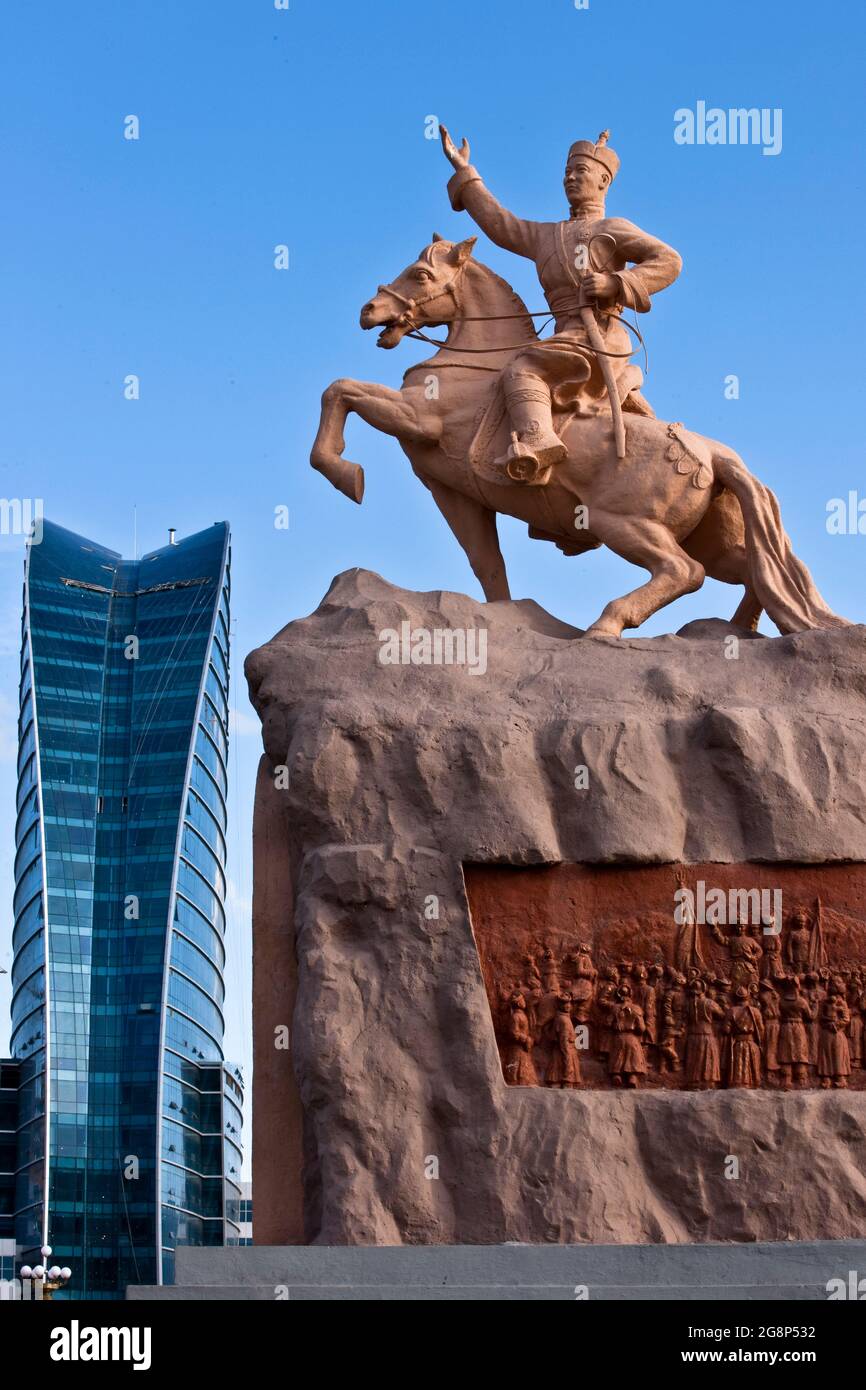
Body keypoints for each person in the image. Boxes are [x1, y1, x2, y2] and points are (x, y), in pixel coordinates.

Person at [439, 125, 681, 479]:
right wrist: (465, 172)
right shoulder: (546, 236)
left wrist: (616, 283)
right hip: (564, 338)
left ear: (603, 181)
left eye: (580, 171)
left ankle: (537, 441)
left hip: (600, 338)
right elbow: (500, 225)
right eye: (567, 172)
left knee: (521, 368)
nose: (570, 178)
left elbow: (669, 260)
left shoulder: (613, 227)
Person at [607, 983, 648, 1088]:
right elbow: (642, 1028)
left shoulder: (615, 1008)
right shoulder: (637, 1008)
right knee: (633, 1058)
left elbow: (608, 1023)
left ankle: (617, 1075)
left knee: (618, 1057)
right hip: (632, 1037)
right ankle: (632, 1077)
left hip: (619, 1037)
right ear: (630, 995)